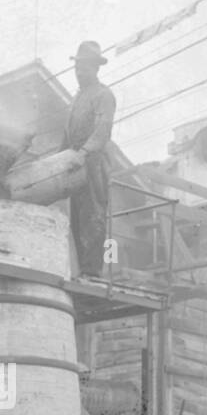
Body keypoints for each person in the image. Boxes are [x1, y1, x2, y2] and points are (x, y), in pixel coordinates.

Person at [63, 40, 117, 277]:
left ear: (95, 67)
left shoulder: (104, 95)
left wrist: (84, 153)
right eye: (77, 67)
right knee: (76, 217)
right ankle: (82, 270)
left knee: (93, 216)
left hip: (94, 163)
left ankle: (93, 271)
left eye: (84, 67)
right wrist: (58, 160)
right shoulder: (77, 98)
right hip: (76, 163)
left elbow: (102, 130)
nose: (79, 72)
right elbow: (67, 133)